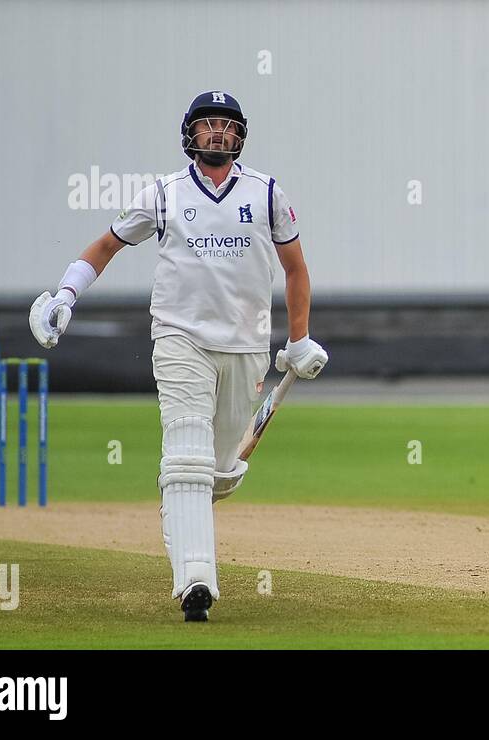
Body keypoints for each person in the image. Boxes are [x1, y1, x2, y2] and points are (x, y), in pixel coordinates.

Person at [28, 91, 329, 622]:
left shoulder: (266, 194)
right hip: (179, 338)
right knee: (186, 454)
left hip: (245, 346)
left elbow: (296, 269)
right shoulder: (164, 194)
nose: (219, 133)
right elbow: (106, 246)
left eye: (228, 126)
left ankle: (181, 504)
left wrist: (298, 340)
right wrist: (64, 295)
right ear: (190, 133)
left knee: (217, 471)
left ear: (240, 136)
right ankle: (196, 582)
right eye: (209, 124)